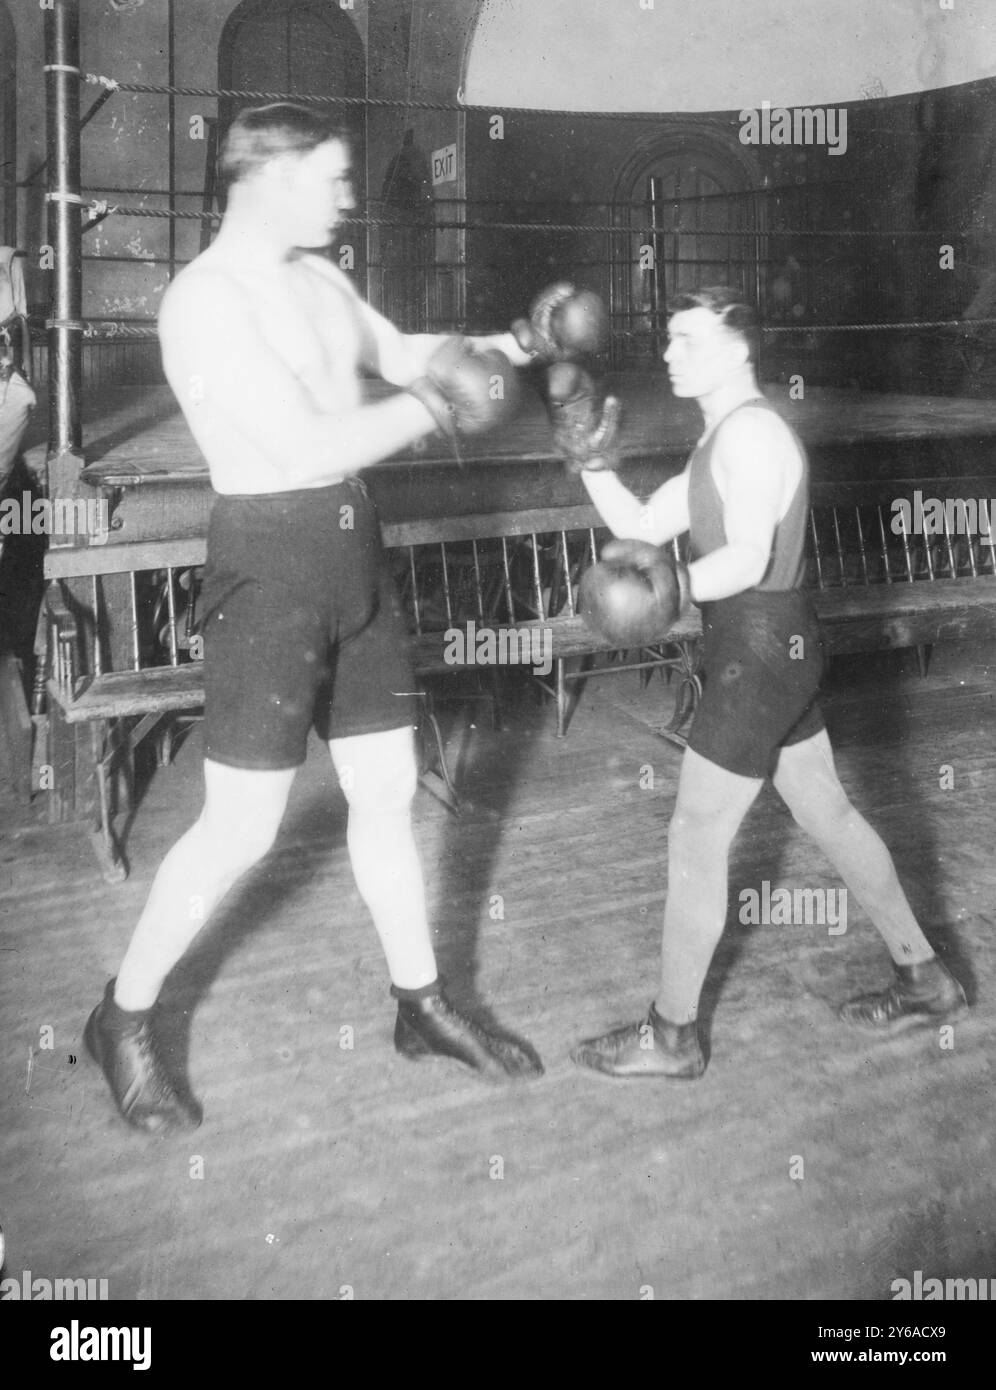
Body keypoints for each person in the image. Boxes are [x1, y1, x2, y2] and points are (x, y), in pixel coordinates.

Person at [84, 103, 551, 1133]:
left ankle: (421, 1001)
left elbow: (403, 347)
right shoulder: (203, 303)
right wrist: (444, 405)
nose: (348, 195)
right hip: (272, 560)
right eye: (330, 177)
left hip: (354, 546)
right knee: (242, 826)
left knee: (386, 788)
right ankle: (120, 1017)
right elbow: (297, 445)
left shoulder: (323, 276)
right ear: (267, 178)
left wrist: (516, 340)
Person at [557, 286, 967, 1079]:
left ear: (738, 347)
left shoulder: (754, 436)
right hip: (766, 643)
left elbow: (744, 558)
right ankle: (924, 976)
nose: (669, 353)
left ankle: (672, 1034)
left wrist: (667, 586)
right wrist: (591, 463)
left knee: (695, 834)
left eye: (687, 339)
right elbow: (641, 527)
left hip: (759, 648)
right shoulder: (723, 436)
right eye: (669, 339)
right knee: (828, 811)